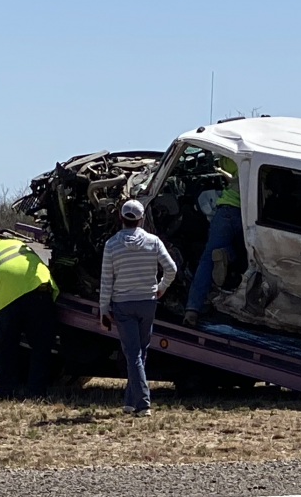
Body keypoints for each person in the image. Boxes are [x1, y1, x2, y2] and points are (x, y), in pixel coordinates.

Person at [100, 199, 177, 417]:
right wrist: (160, 287)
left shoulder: (111, 245)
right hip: (147, 302)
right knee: (140, 352)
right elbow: (171, 268)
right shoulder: (153, 242)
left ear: (120, 218)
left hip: (123, 304)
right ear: (141, 219)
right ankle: (129, 403)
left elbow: (107, 280)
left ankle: (143, 404)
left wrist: (104, 309)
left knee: (132, 353)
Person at [0, 235, 59, 399]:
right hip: (39, 291)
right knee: (41, 347)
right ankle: (37, 391)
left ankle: (6, 391)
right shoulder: (17, 243)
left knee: (7, 348)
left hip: (8, 302)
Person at [184, 155, 243, 326]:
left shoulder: (232, 155)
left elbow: (220, 163)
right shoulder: (264, 158)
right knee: (245, 256)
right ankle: (227, 255)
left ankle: (192, 309)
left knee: (207, 258)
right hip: (250, 214)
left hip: (227, 210)